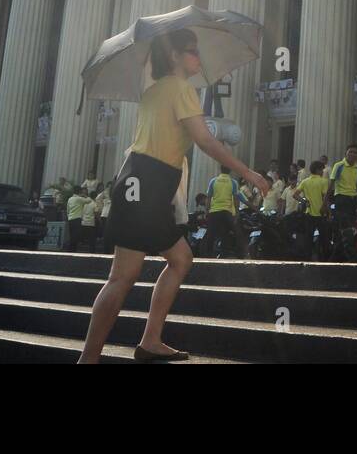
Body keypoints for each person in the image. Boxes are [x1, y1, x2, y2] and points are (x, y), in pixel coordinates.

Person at [79, 29, 269, 363]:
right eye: (192, 51)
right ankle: (89, 359)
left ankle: (149, 340)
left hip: (139, 181)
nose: (198, 57)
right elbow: (206, 141)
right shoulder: (182, 89)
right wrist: (248, 173)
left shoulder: (154, 91)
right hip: (148, 184)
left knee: (177, 260)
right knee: (124, 277)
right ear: (174, 57)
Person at [206, 166, 246, 258]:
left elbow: (208, 197)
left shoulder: (213, 181)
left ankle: (208, 254)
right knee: (225, 233)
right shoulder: (233, 182)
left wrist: (207, 211)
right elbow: (236, 199)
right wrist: (236, 212)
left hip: (214, 211)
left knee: (211, 233)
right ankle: (224, 254)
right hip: (226, 212)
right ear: (230, 171)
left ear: (220, 170)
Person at [293, 160, 329, 259]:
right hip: (321, 214)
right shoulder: (323, 181)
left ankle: (307, 259)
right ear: (318, 170)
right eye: (322, 169)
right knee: (324, 238)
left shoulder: (305, 181)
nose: (323, 171)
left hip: (309, 213)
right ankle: (324, 259)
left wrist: (304, 201)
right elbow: (325, 197)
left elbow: (295, 195)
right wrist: (328, 211)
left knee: (308, 238)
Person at [326, 144, 357, 233]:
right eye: (350, 152)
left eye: (355, 152)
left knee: (352, 224)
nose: (352, 154)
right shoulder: (339, 166)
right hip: (341, 199)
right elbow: (331, 184)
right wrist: (326, 201)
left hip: (353, 200)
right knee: (342, 225)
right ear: (346, 153)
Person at [65, 185, 91, 252]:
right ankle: (72, 250)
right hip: (77, 219)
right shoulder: (79, 199)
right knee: (75, 236)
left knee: (72, 235)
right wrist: (84, 195)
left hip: (70, 219)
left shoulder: (70, 199)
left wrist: (68, 217)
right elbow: (89, 200)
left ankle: (71, 250)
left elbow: (67, 210)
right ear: (80, 191)